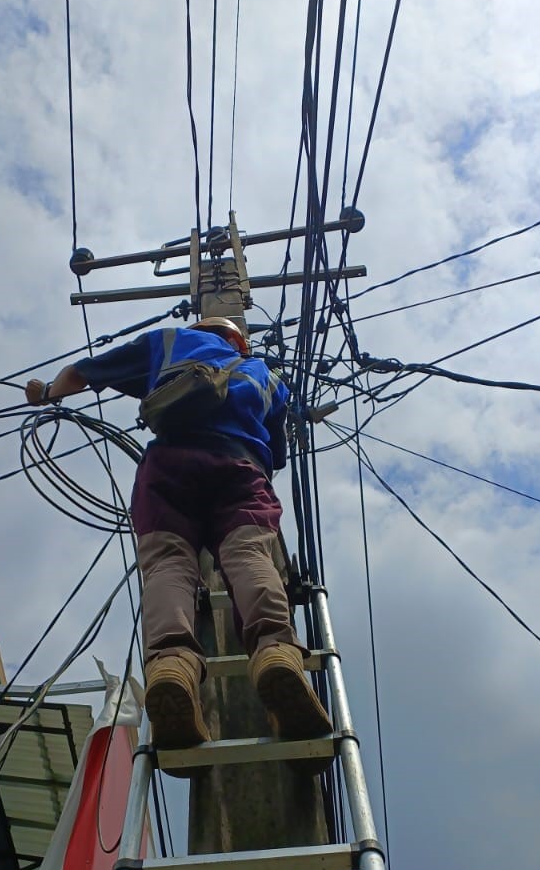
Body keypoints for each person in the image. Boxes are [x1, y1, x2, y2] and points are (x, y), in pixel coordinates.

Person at [26, 316, 332, 751]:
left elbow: (81, 372)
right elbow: (277, 455)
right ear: (239, 342)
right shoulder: (267, 376)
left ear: (201, 327)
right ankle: (275, 652)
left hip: (169, 464)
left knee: (169, 563)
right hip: (242, 467)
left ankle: (172, 665)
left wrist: (47, 393)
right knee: (248, 553)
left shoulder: (169, 341)